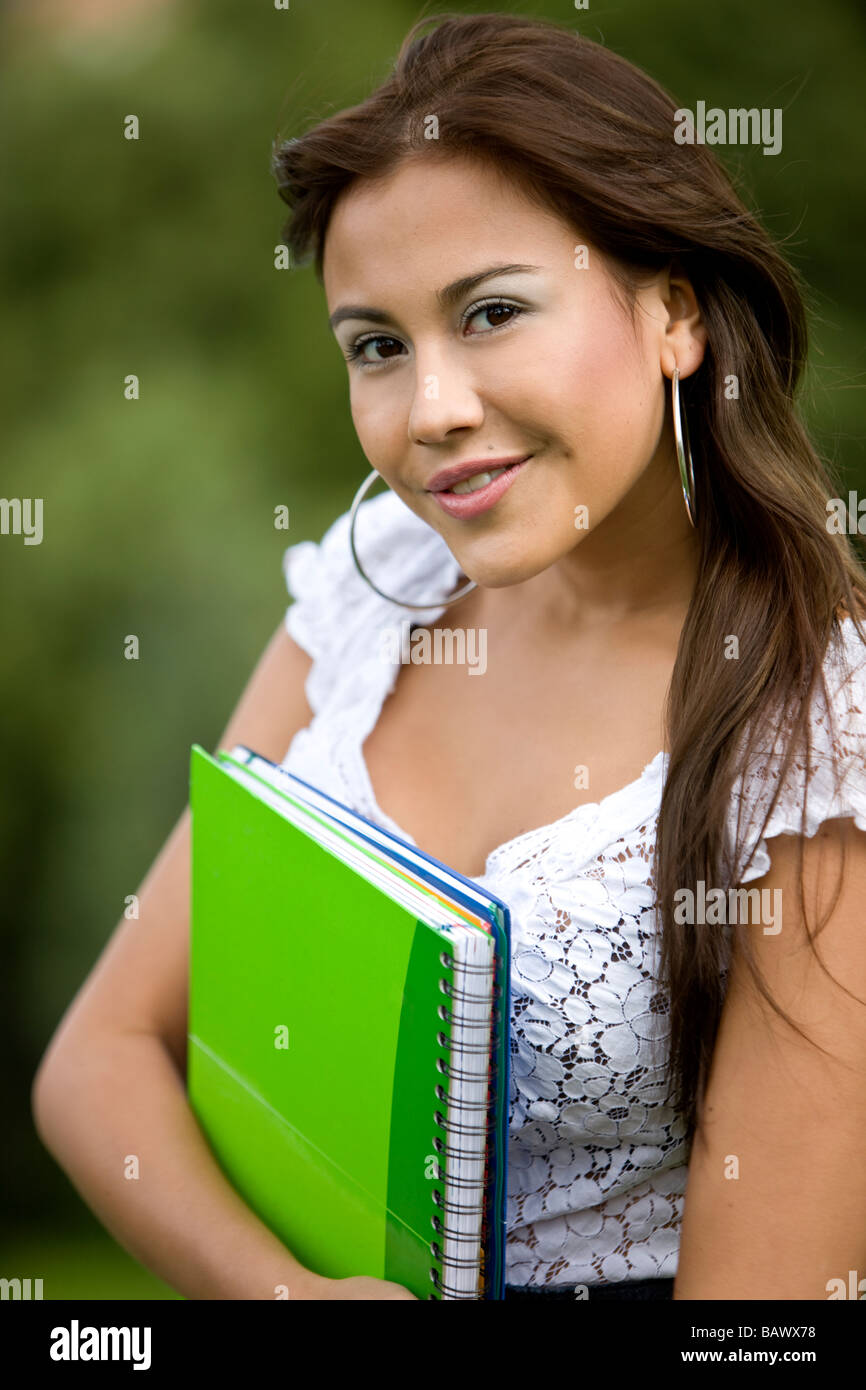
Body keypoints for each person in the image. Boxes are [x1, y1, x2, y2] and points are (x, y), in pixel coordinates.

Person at [32, 11, 866, 1302]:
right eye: (376, 345)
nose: (430, 411)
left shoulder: (814, 737)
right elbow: (99, 1057)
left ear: (673, 316)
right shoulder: (375, 592)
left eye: (490, 312)